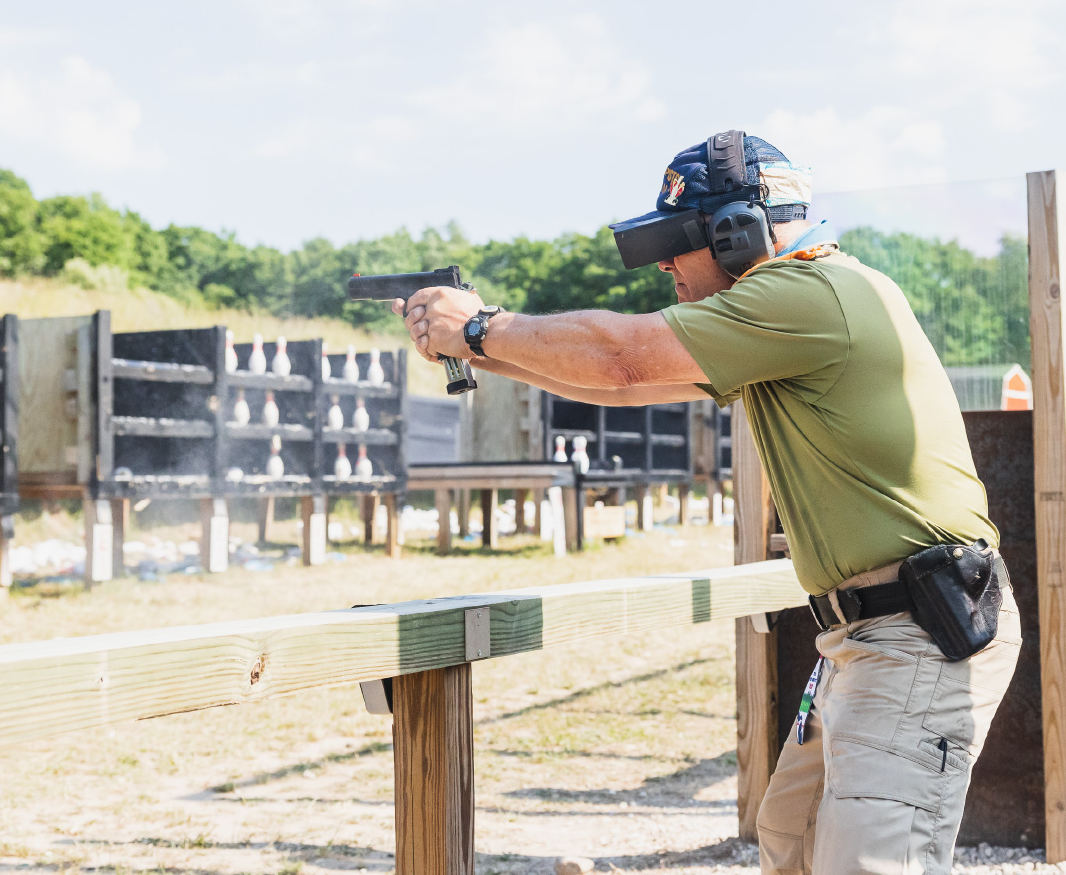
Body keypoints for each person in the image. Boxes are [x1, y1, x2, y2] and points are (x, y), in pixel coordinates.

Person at [393, 131, 1022, 875]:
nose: (665, 264)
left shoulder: (811, 293)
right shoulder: (790, 313)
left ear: (737, 233)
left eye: (677, 242)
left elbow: (621, 358)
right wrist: (481, 347)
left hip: (914, 634)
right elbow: (619, 380)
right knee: (793, 837)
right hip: (869, 638)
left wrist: (478, 326)